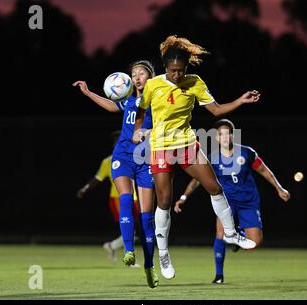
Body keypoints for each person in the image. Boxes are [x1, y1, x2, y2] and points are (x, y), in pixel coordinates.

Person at [132, 35, 260, 280]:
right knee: (165, 202)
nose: (176, 75)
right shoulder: (153, 85)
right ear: (165, 68)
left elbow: (216, 110)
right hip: (160, 147)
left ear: (186, 69)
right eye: (172, 71)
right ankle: (163, 253)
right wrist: (139, 129)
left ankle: (231, 233)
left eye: (180, 71)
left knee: (215, 187)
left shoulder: (195, 82)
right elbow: (141, 109)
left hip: (187, 145)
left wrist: (240, 101)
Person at [73, 60, 159, 288]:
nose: (137, 76)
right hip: (123, 155)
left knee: (147, 216)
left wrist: (148, 131)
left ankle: (150, 264)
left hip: (145, 159)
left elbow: (166, 126)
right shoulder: (129, 98)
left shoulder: (157, 100)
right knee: (125, 199)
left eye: (142, 73)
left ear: (151, 77)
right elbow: (112, 106)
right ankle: (129, 251)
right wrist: (88, 92)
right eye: (134, 73)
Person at [174, 119, 291, 284]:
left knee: (255, 242)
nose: (224, 137)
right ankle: (219, 275)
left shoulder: (247, 153)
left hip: (248, 201)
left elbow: (264, 170)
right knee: (220, 234)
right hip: (227, 202)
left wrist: (279, 188)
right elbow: (197, 180)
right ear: (216, 138)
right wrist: (183, 197)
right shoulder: (212, 158)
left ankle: (238, 236)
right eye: (220, 134)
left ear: (232, 135)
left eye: (227, 133)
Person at [76, 131, 141, 267]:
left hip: (134, 198)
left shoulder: (134, 157)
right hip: (118, 198)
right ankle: (129, 259)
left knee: (137, 230)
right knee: (130, 227)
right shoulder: (108, 161)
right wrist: (85, 189)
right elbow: (96, 179)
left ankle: (112, 246)